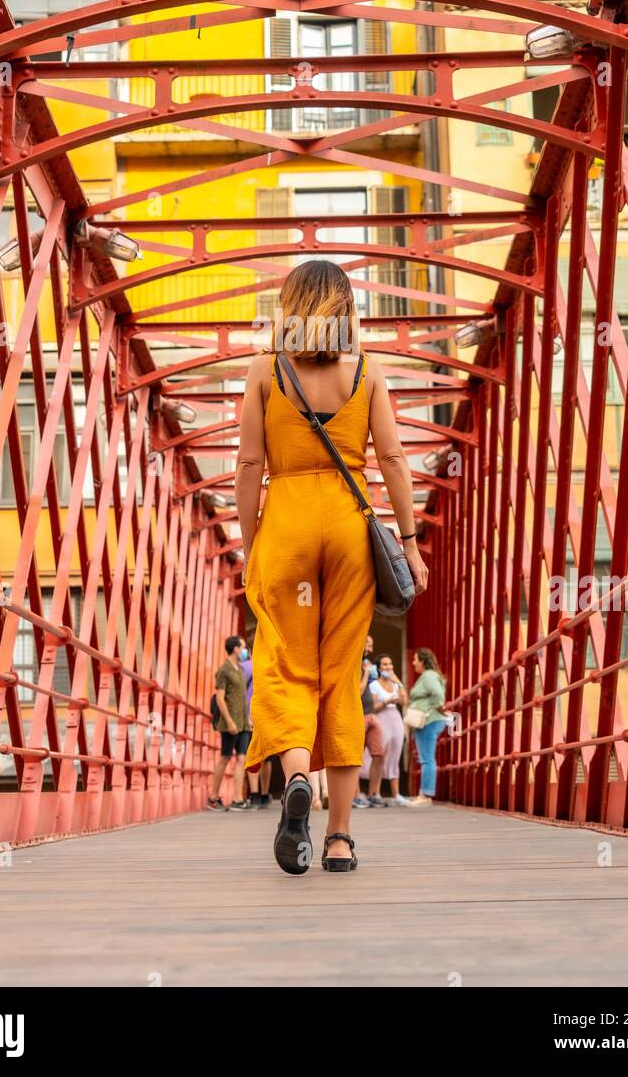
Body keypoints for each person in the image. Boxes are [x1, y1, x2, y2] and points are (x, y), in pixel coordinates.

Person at [235, 260, 428, 874]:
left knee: (285, 664)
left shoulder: (265, 371)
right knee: (342, 674)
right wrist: (412, 542)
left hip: (287, 522)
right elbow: (393, 457)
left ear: (289, 306)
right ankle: (340, 839)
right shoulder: (367, 371)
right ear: (345, 307)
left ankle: (295, 776)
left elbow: (246, 465)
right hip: (349, 526)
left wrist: (252, 543)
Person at [207, 635, 252, 811]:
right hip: (230, 723)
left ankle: (237, 799)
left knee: (242, 758)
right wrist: (229, 721)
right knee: (225, 757)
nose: (244, 651)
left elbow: (242, 698)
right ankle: (213, 797)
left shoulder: (240, 670)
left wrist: (247, 718)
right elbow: (220, 698)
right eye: (242, 647)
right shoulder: (224, 670)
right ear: (235, 649)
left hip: (243, 723)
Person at [408, 648, 447, 806]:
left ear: (423, 661)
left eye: (416, 659)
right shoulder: (429, 676)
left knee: (427, 759)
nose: (413, 663)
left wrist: (435, 708)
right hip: (427, 721)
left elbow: (438, 695)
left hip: (428, 721)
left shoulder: (428, 675)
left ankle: (426, 795)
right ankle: (424, 794)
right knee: (426, 758)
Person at [370, 654, 409, 804]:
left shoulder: (395, 684)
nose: (388, 667)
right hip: (382, 720)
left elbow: (405, 701)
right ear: (379, 668)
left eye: (390, 664)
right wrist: (387, 701)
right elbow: (373, 707)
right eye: (385, 665)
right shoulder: (374, 685)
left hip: (396, 720)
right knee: (379, 755)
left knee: (395, 754)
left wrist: (398, 682)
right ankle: (376, 792)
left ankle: (396, 794)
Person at [242, 640, 274, 808]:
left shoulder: (245, 666)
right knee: (267, 758)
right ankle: (262, 793)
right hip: (263, 717)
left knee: (257, 756)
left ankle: (256, 794)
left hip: (254, 717)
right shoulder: (269, 665)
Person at [354, 649, 385, 808]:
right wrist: (366, 673)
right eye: (367, 644)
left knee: (379, 755)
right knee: (355, 757)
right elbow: (358, 691)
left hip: (372, 714)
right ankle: (356, 795)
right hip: (358, 715)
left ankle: (373, 794)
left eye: (372, 646)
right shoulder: (353, 665)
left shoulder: (366, 665)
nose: (370, 649)